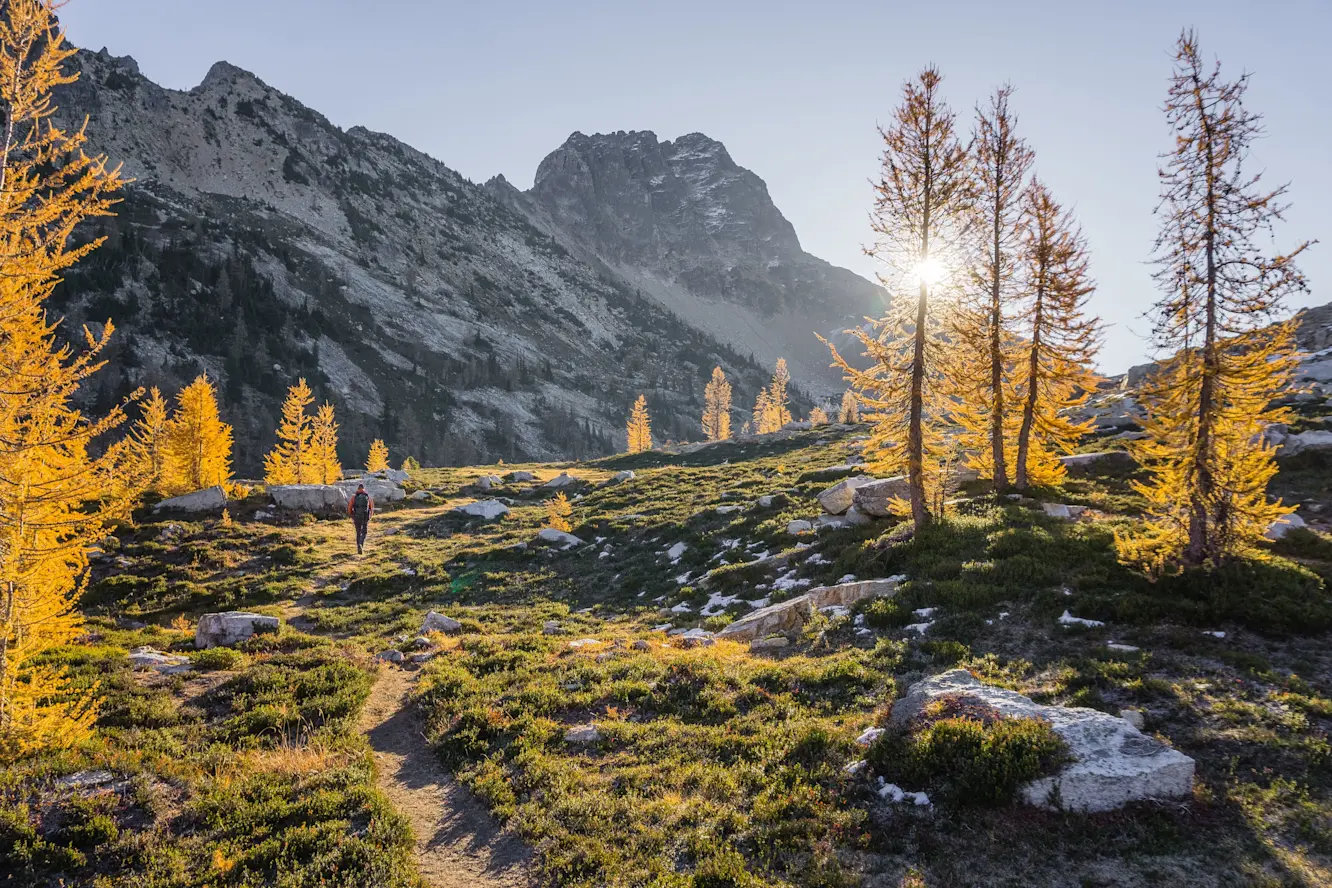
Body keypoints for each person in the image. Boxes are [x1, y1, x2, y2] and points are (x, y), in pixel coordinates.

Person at [348, 482, 374, 554]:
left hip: (356, 516)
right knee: (364, 532)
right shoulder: (367, 496)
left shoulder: (354, 497)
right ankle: (361, 544)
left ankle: (358, 546)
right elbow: (371, 508)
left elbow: (350, 507)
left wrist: (351, 515)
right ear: (363, 489)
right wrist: (370, 516)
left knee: (358, 532)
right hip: (365, 516)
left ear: (358, 489)